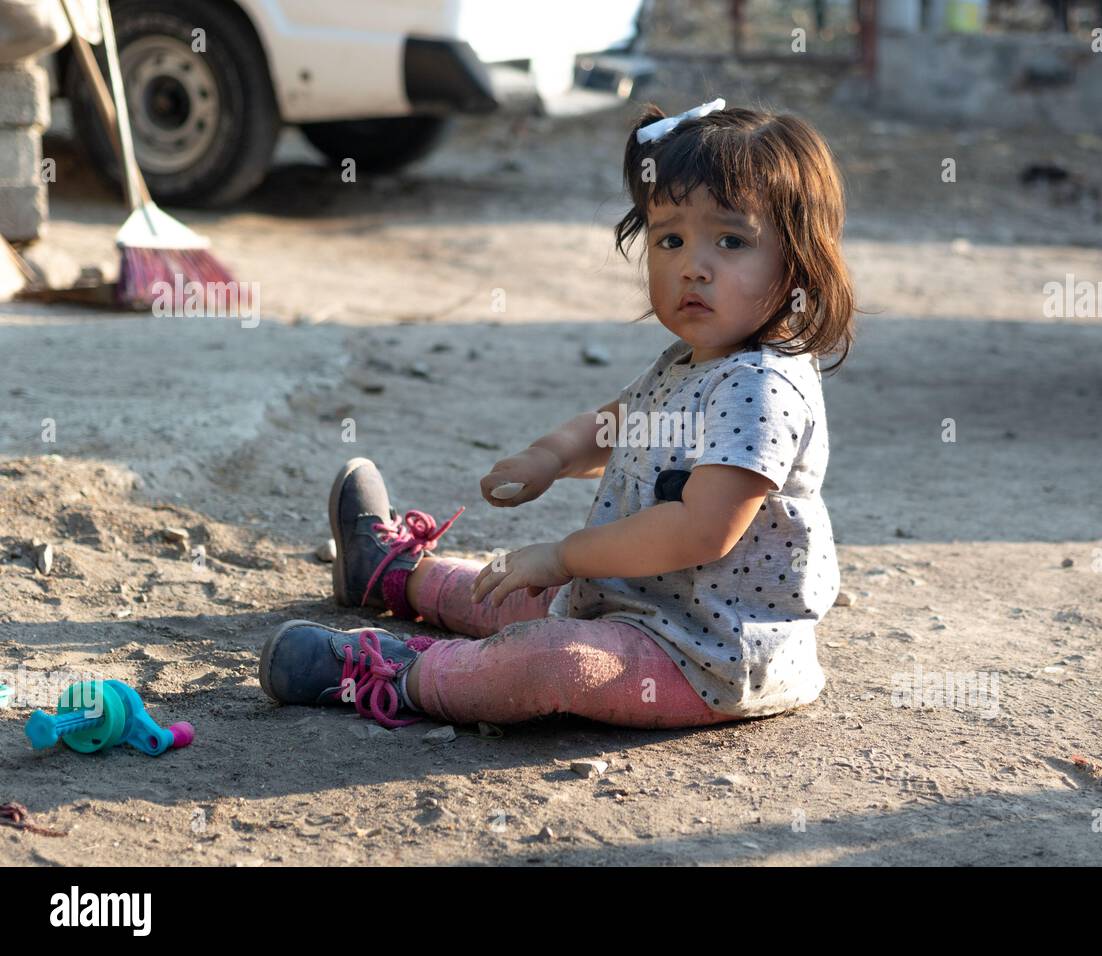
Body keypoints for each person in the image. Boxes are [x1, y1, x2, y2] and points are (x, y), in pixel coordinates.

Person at [258, 98, 858, 731]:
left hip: (705, 656)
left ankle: (393, 674)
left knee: (549, 659)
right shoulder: (692, 362)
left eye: (731, 240)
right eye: (670, 238)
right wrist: (547, 458)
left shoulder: (760, 388)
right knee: (512, 589)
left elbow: (702, 530)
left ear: (799, 261)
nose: (693, 265)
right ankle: (392, 576)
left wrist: (566, 555)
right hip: (629, 604)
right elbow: (613, 426)